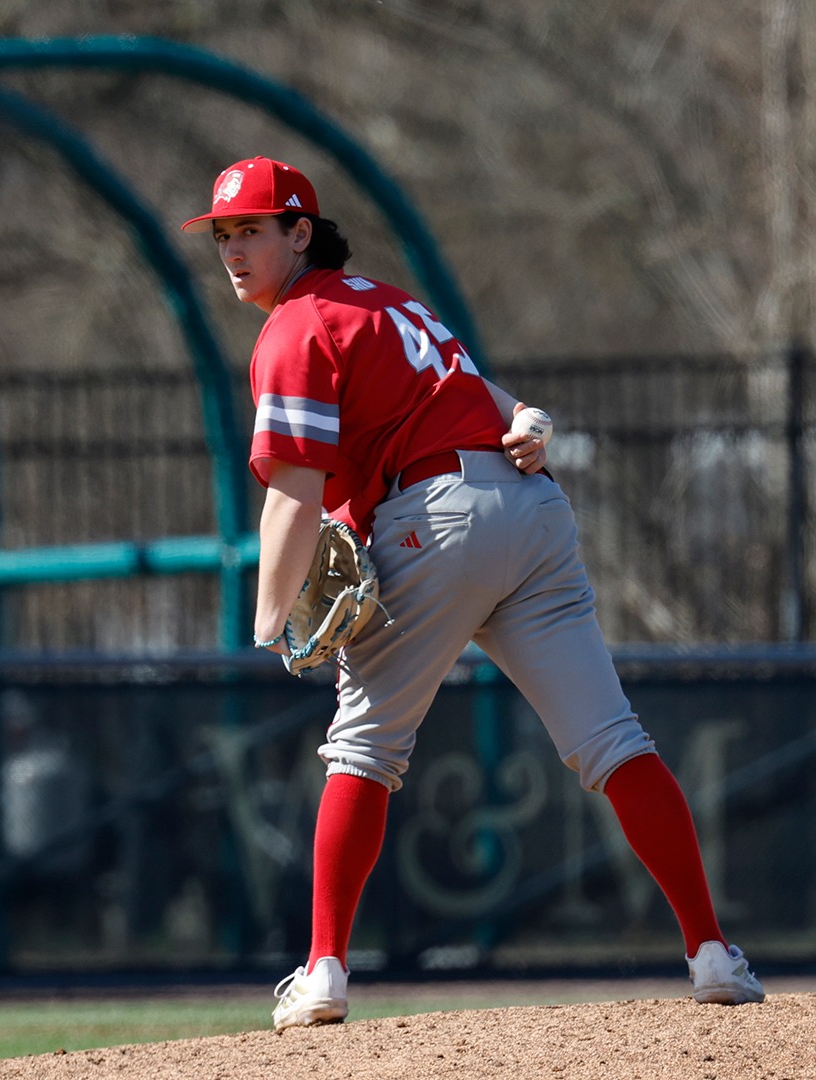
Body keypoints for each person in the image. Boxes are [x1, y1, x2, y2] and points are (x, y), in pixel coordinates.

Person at [183, 157, 765, 1030]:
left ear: (301, 233)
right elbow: (504, 408)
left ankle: (324, 972)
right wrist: (530, 419)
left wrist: (268, 619)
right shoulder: (388, 302)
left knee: (364, 749)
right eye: (224, 236)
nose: (233, 251)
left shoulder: (297, 327)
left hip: (434, 520)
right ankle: (713, 951)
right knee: (610, 739)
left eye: (252, 231)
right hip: (531, 513)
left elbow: (292, 495)